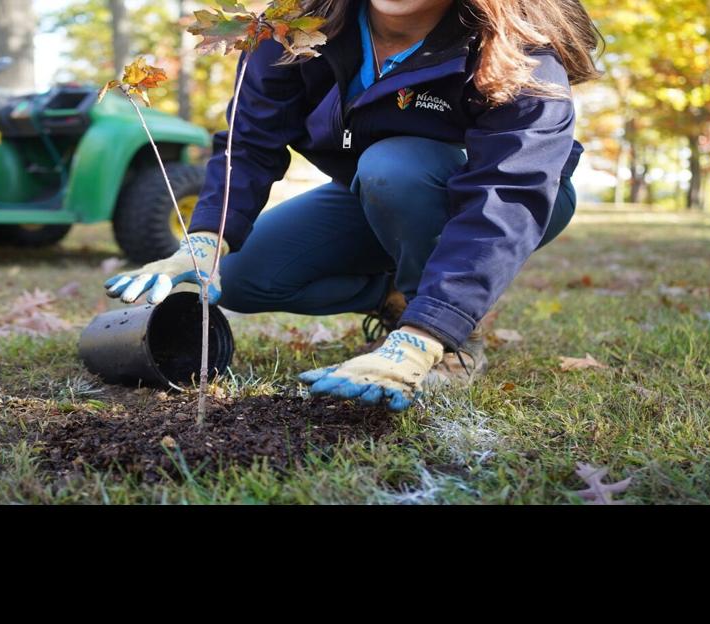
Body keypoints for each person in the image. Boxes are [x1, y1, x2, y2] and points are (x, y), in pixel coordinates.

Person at [103, 0, 600, 411]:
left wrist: (430, 331)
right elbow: (249, 143)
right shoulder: (292, 26)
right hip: (375, 192)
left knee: (395, 165)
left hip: (504, 202)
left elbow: (510, 192)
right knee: (241, 278)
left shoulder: (520, 48)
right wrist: (207, 238)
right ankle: (399, 297)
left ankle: (447, 339)